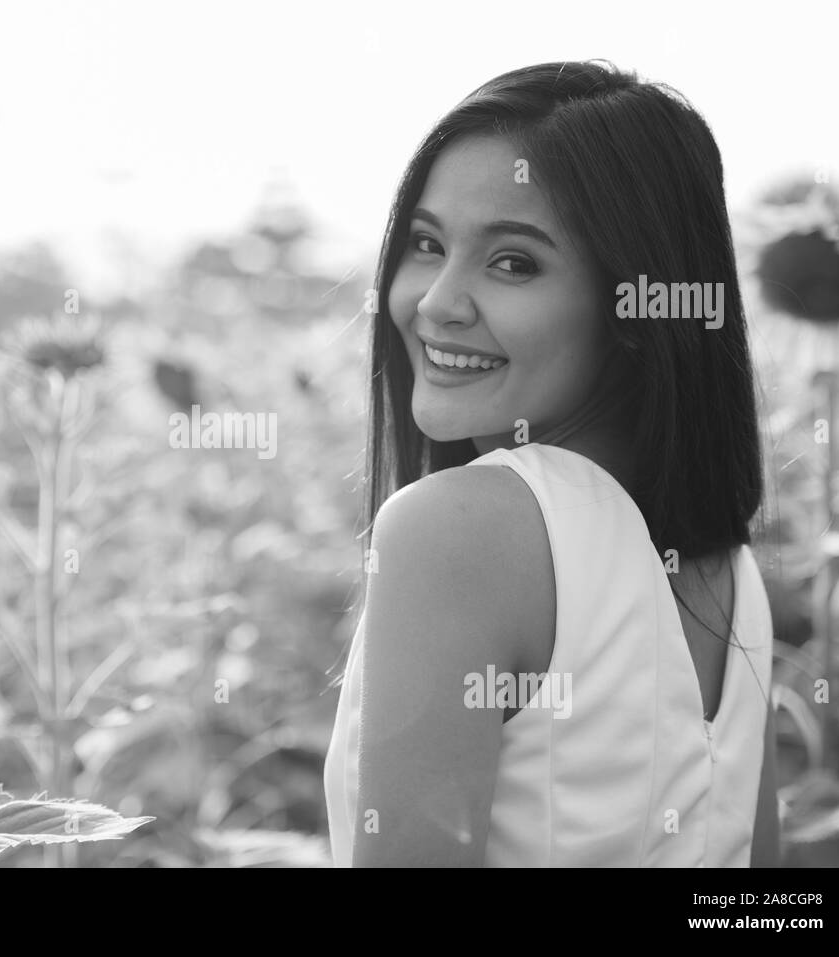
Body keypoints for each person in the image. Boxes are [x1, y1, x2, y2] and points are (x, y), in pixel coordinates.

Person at [323, 60, 779, 867]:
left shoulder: (456, 529)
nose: (436, 302)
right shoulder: (732, 576)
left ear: (638, 308)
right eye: (428, 244)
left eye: (513, 263)